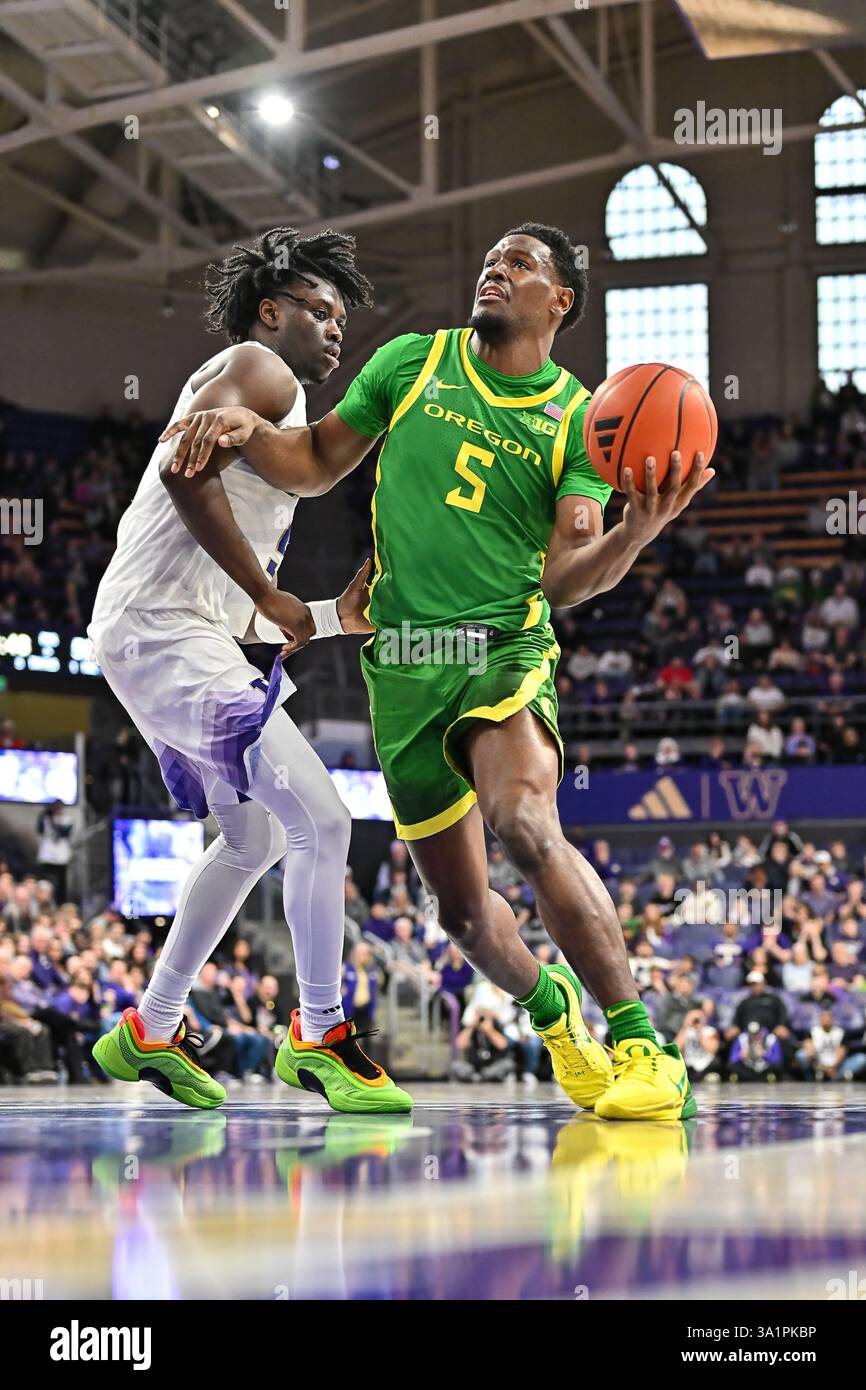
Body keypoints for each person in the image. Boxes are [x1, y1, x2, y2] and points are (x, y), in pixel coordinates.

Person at [162, 222, 715, 1122]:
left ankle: (642, 1044)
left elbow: (568, 573)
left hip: (500, 651)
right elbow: (313, 465)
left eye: (521, 264)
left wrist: (636, 529)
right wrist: (251, 426)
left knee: (524, 821)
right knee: (462, 916)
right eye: (492, 258)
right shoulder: (413, 360)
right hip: (405, 666)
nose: (496, 270)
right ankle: (554, 1012)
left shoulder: (578, 418)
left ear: (559, 301)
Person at [86, 228, 410, 1114]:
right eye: (319, 309)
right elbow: (184, 477)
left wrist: (324, 617)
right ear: (271, 312)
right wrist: (269, 595)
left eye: (343, 316)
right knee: (323, 819)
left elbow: (234, 563)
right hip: (164, 629)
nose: (335, 329)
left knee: (254, 838)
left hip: (170, 632)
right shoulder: (262, 370)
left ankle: (151, 1026)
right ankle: (319, 1031)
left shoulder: (282, 408)